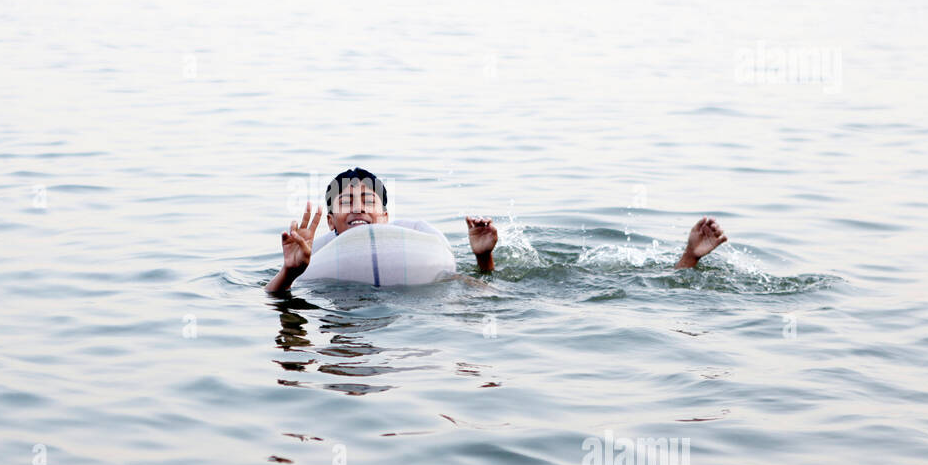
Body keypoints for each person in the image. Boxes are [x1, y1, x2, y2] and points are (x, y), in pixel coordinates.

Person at [265, 167, 728, 292]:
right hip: (354, 314)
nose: (358, 208)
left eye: (369, 201)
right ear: (329, 221)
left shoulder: (416, 247)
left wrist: (483, 260)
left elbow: (476, 289)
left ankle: (685, 263)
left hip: (420, 307)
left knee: (487, 293)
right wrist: (290, 273)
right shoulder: (311, 260)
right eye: (346, 203)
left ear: (387, 218)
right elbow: (271, 301)